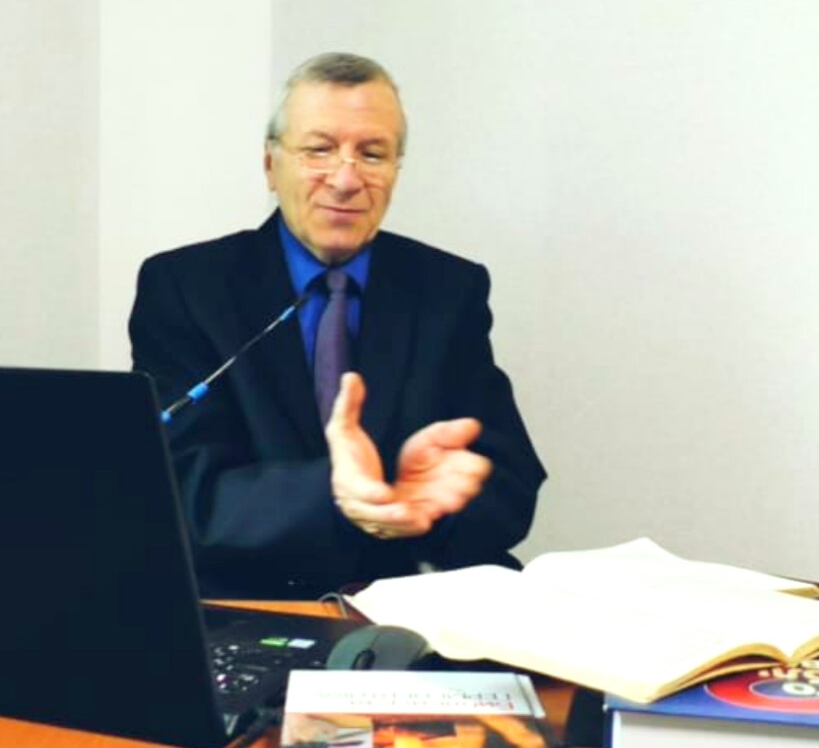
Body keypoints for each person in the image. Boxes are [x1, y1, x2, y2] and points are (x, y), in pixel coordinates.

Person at [128, 52, 545, 599]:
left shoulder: (448, 290)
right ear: (271, 165)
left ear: (395, 171)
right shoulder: (187, 286)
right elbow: (177, 491)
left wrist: (424, 505)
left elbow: (509, 486)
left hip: (407, 602)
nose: (346, 180)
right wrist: (340, 494)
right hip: (249, 602)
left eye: (372, 154)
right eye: (319, 150)